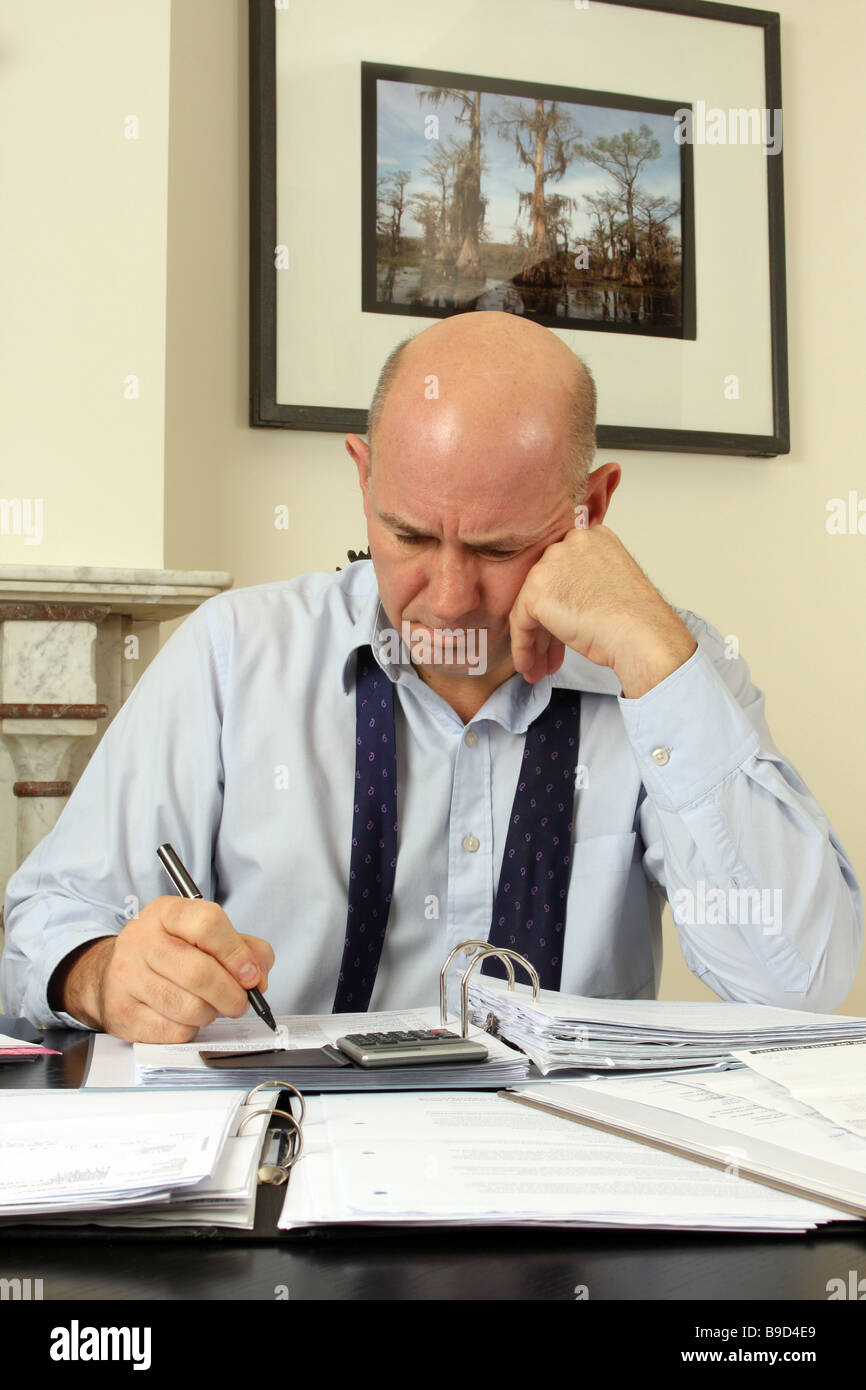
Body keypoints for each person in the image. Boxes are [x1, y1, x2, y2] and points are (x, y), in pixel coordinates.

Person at [1, 313, 861, 1041]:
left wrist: (655, 661)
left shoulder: (669, 668)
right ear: (363, 478)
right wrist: (101, 973)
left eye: (496, 549)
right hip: (279, 1175)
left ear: (591, 510)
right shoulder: (234, 654)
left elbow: (799, 985)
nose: (448, 602)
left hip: (574, 1190)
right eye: (410, 536)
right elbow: (39, 925)